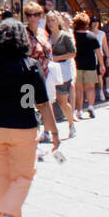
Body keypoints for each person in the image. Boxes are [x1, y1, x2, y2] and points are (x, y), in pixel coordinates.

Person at [0, 18, 53, 217]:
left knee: (4, 176)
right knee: (23, 176)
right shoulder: (30, 65)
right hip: (22, 126)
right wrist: (54, 131)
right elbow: (40, 102)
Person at [22, 2, 63, 152]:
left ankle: (48, 134)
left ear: (41, 16)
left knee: (45, 105)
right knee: (29, 109)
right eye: (29, 15)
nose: (32, 18)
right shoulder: (23, 34)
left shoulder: (42, 32)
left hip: (44, 76)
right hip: (27, 79)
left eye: (36, 14)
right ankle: (31, 141)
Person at [46, 10, 78, 139]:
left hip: (63, 70)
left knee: (62, 101)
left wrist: (56, 58)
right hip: (49, 71)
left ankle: (71, 124)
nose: (50, 23)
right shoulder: (46, 36)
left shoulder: (65, 36)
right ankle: (47, 130)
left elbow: (73, 53)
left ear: (58, 21)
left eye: (53, 20)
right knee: (47, 101)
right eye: (48, 20)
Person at [73, 12, 103, 118]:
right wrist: (102, 64)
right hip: (90, 64)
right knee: (90, 88)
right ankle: (90, 106)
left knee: (79, 89)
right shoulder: (91, 36)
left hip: (77, 65)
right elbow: (98, 52)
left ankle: (79, 110)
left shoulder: (73, 36)